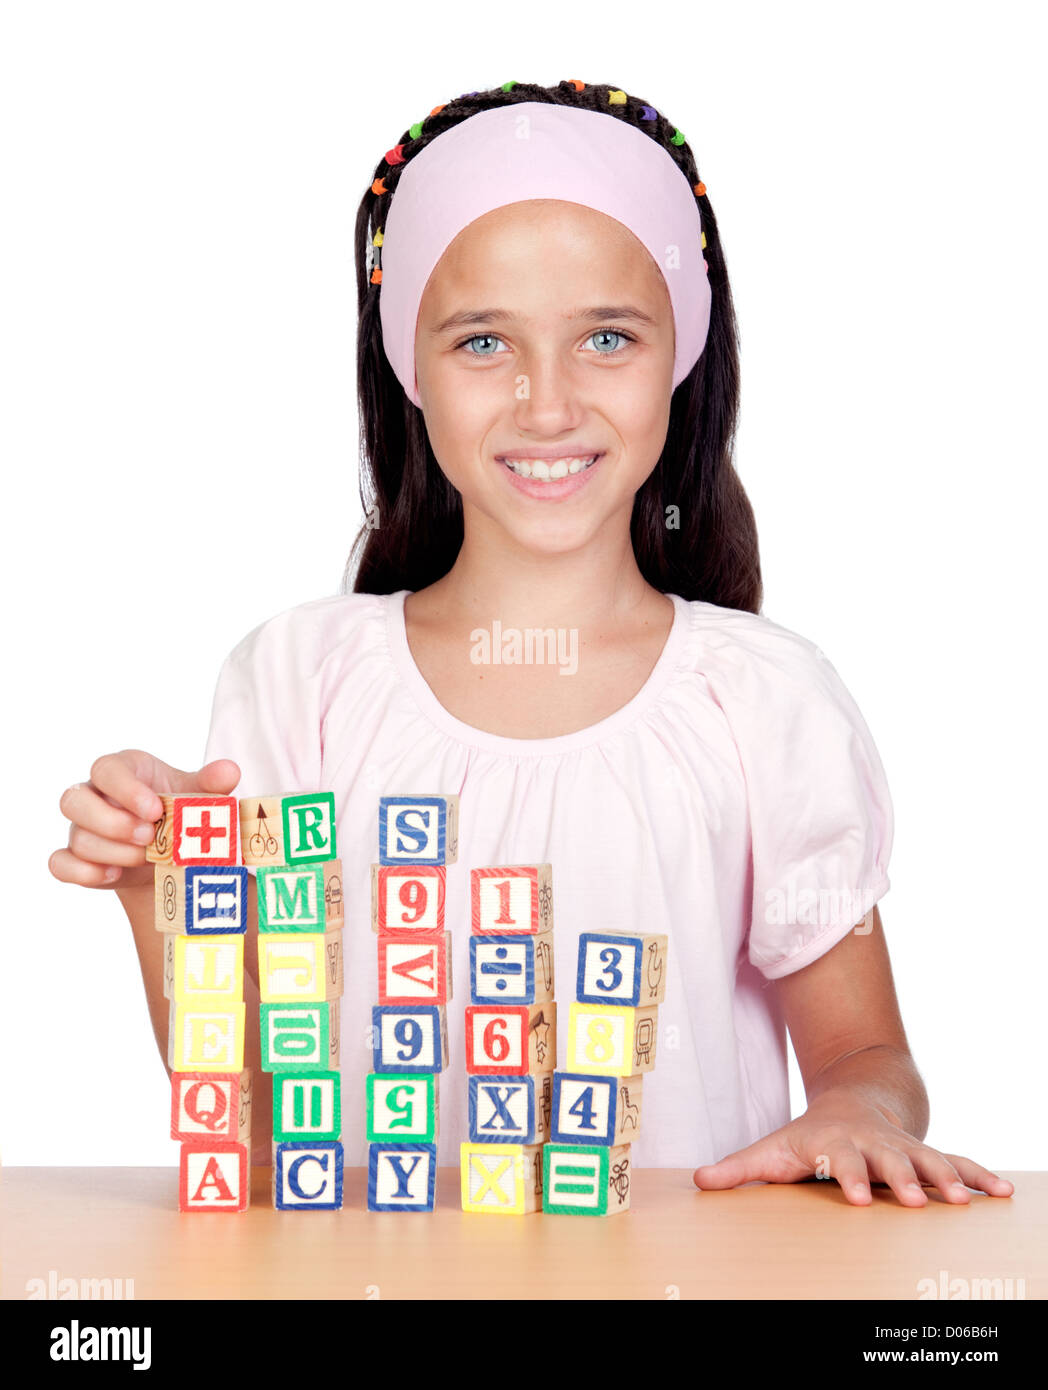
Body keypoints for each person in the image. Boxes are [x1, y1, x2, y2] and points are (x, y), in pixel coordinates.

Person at [50, 79, 1012, 1206]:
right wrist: (158, 890)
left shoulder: (764, 697)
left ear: (681, 358)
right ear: (410, 370)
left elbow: (867, 1058)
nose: (545, 403)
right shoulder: (300, 680)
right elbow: (253, 1114)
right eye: (481, 341)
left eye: (606, 336)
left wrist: (854, 1109)